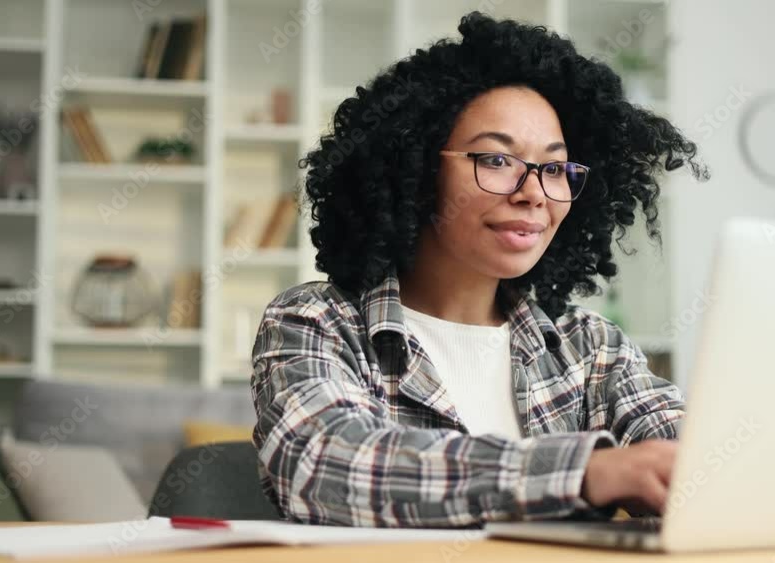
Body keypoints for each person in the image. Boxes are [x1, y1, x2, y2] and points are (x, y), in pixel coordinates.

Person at [250, 11, 708, 528]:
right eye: (495, 160)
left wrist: (700, 471)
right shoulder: (315, 322)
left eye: (555, 168)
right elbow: (325, 466)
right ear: (417, 170)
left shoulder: (591, 349)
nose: (533, 192)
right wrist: (584, 473)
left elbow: (697, 457)